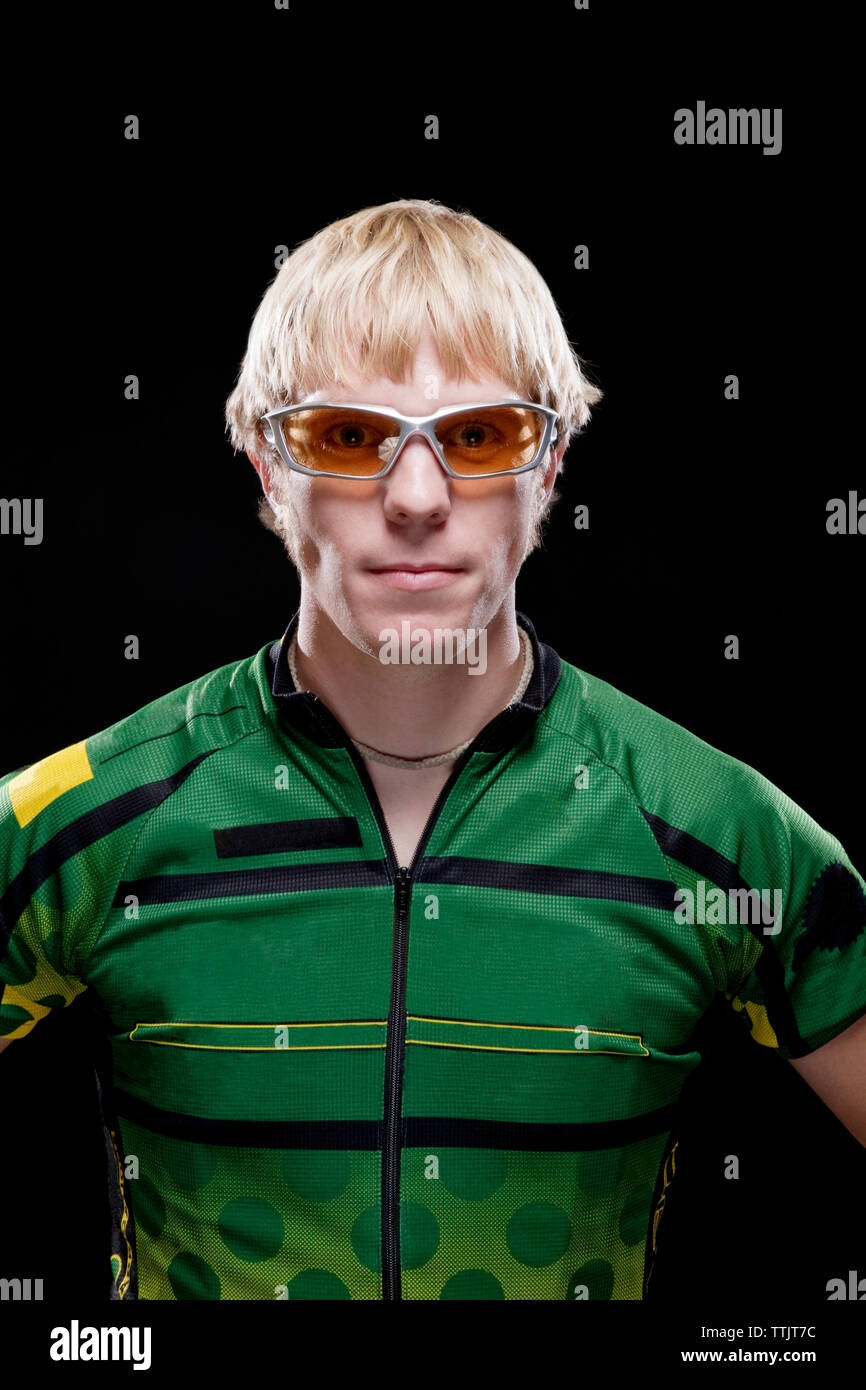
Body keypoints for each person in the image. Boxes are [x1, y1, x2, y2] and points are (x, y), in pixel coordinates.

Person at [1, 198, 863, 1303]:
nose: (416, 498)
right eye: (349, 436)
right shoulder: (84, 815)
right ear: (267, 464)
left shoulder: (716, 831)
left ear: (549, 466)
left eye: (478, 434)